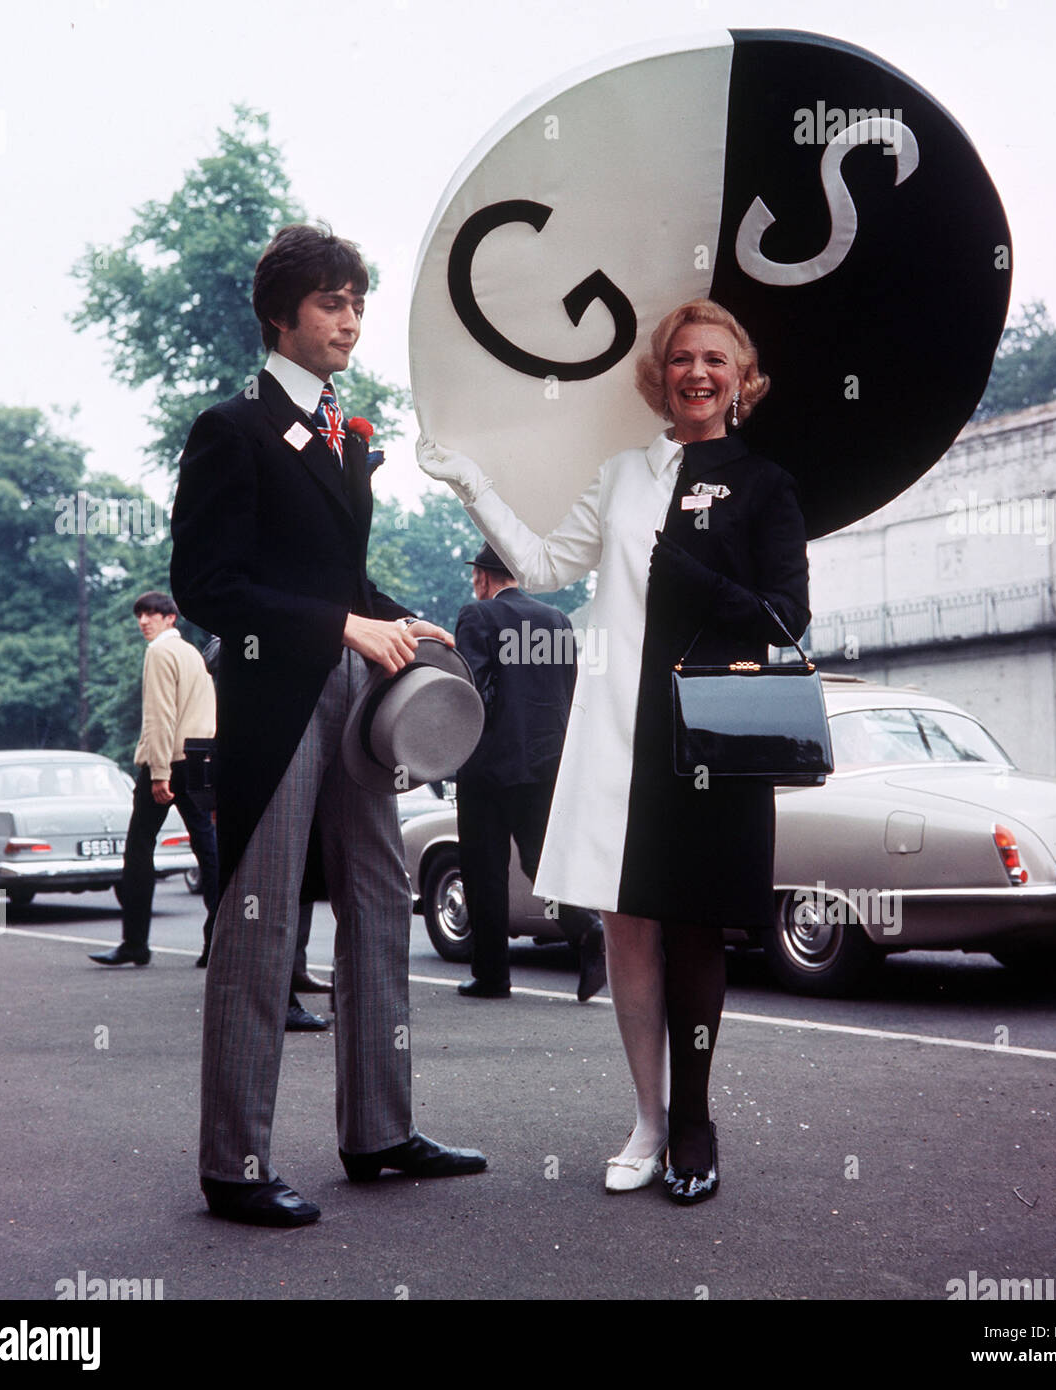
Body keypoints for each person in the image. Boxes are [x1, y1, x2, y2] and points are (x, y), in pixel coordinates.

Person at [419, 298, 810, 1203]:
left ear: (741, 377)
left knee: (696, 922)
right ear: (658, 376)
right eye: (680, 358)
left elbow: (787, 617)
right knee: (630, 923)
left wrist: (689, 572)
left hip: (712, 726)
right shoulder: (625, 474)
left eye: (716, 358)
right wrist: (471, 483)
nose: (697, 373)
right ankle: (645, 1119)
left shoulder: (763, 483)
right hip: (620, 729)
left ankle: (694, 1123)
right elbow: (550, 564)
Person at [171, 223, 487, 1228]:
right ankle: (235, 1163)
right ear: (281, 314)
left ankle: (379, 1131)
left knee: (381, 904)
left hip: (354, 696)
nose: (350, 319)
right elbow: (207, 586)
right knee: (261, 928)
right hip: (271, 701)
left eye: (356, 301)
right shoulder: (230, 428)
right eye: (332, 303)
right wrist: (344, 622)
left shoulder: (344, 434)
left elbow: (337, 579)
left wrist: (389, 616)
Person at [453, 542, 606, 1002]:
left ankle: (492, 976)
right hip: (546, 765)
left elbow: (472, 692)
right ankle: (586, 927)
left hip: (488, 768)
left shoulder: (477, 617)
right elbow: (570, 688)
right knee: (542, 863)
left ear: (483, 576)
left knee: (485, 873)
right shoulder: (556, 620)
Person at [89, 592, 219, 967]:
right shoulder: (192, 653)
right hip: (197, 756)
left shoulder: (160, 652)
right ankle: (218, 941)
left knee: (139, 849)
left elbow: (160, 716)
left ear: (170, 619)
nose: (144, 621)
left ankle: (135, 943)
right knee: (207, 848)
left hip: (169, 761)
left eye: (152, 614)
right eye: (140, 615)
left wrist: (159, 773)